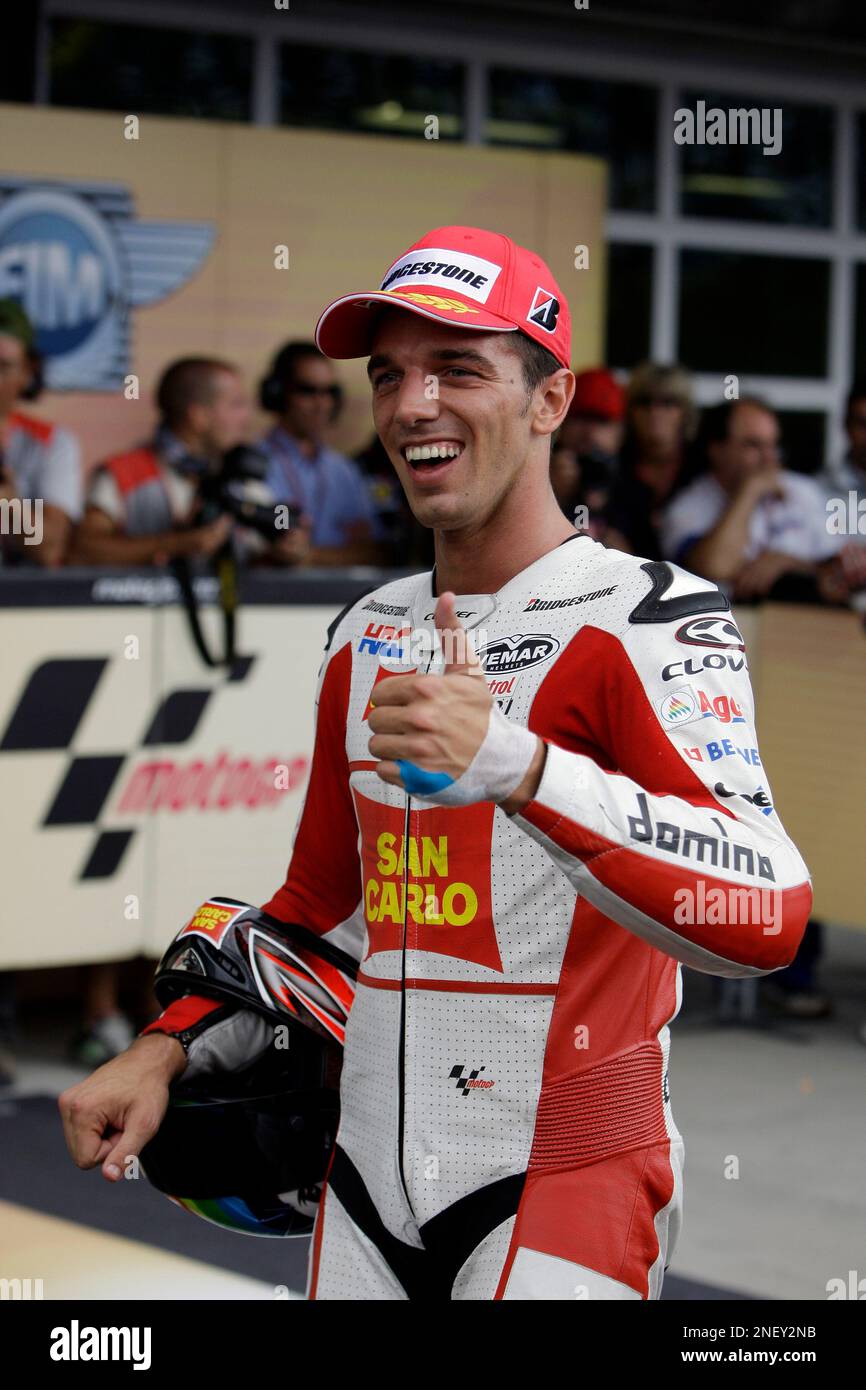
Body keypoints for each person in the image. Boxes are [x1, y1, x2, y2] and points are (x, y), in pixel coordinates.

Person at [59, 225, 812, 1301]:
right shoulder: (363, 629)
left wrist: (511, 763)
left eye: (457, 368)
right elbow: (318, 905)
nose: (413, 403)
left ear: (548, 401)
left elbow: (767, 912)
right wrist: (167, 1045)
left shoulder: (648, 616)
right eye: (389, 375)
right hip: (360, 1184)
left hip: (561, 1177)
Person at [70, 358, 249, 566]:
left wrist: (287, 548)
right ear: (198, 416)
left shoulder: (245, 472)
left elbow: (264, 549)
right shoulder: (123, 471)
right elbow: (83, 550)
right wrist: (179, 544)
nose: (246, 416)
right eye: (236, 405)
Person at [660, 397, 842, 602]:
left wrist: (785, 563)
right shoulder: (686, 507)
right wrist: (750, 491)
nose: (769, 458)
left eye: (773, 445)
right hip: (723, 626)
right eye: (753, 445)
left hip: (805, 622)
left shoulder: (802, 490)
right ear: (716, 449)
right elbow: (717, 566)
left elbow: (837, 573)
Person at [258, 341, 386, 565]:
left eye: (329, 392)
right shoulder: (253, 462)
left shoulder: (343, 469)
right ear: (278, 393)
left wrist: (310, 557)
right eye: (308, 391)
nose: (322, 403)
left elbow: (375, 552)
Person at [0, 298, 83, 566]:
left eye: (2, 366)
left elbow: (49, 550)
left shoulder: (52, 442)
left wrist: (9, 504)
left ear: (28, 372)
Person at [603, 362, 698, 558]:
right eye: (644, 402)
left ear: (686, 412)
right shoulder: (614, 465)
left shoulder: (704, 465)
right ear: (630, 410)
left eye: (668, 403)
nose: (655, 411)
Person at [550, 367, 625, 537]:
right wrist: (552, 493)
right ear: (561, 420)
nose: (590, 433)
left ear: (620, 431)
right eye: (581, 418)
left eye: (601, 421)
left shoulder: (633, 485)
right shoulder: (541, 473)